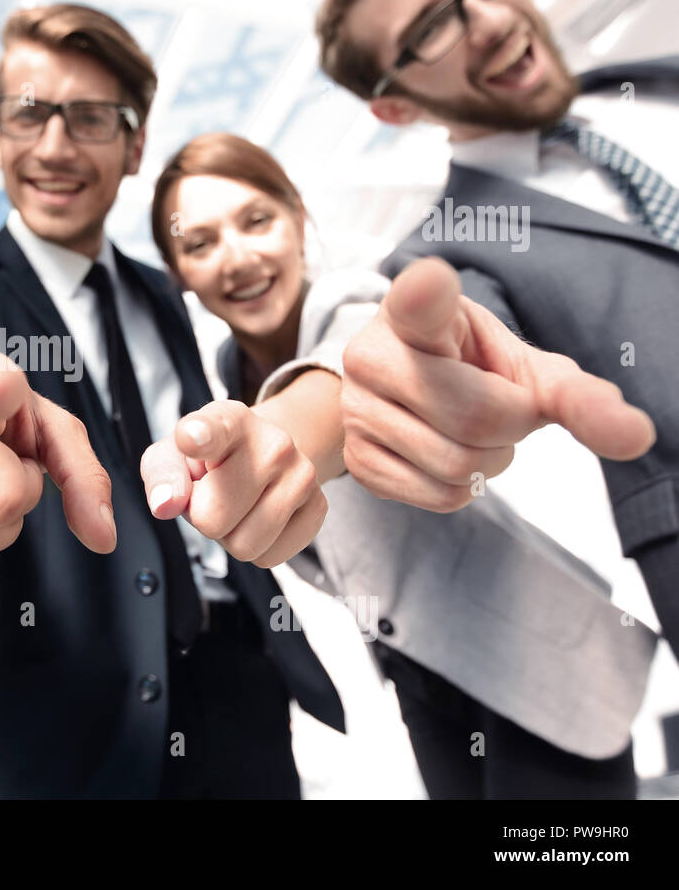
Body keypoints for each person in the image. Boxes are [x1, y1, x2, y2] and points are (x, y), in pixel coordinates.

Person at [0, 3, 345, 798]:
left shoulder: (169, 295)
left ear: (134, 147)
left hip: (249, 707)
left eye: (91, 119)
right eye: (29, 114)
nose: (54, 146)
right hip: (75, 740)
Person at [143, 130, 656, 798]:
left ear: (299, 219)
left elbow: (347, 370)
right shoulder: (226, 374)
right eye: (200, 243)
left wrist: (289, 430)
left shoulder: (354, 303)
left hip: (531, 654)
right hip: (421, 675)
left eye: (257, 220)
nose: (236, 258)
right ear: (178, 271)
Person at [312, 0, 673, 650]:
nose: (486, 18)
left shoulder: (661, 84)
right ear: (394, 106)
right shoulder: (444, 255)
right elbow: (402, 349)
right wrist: (309, 416)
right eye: (430, 30)